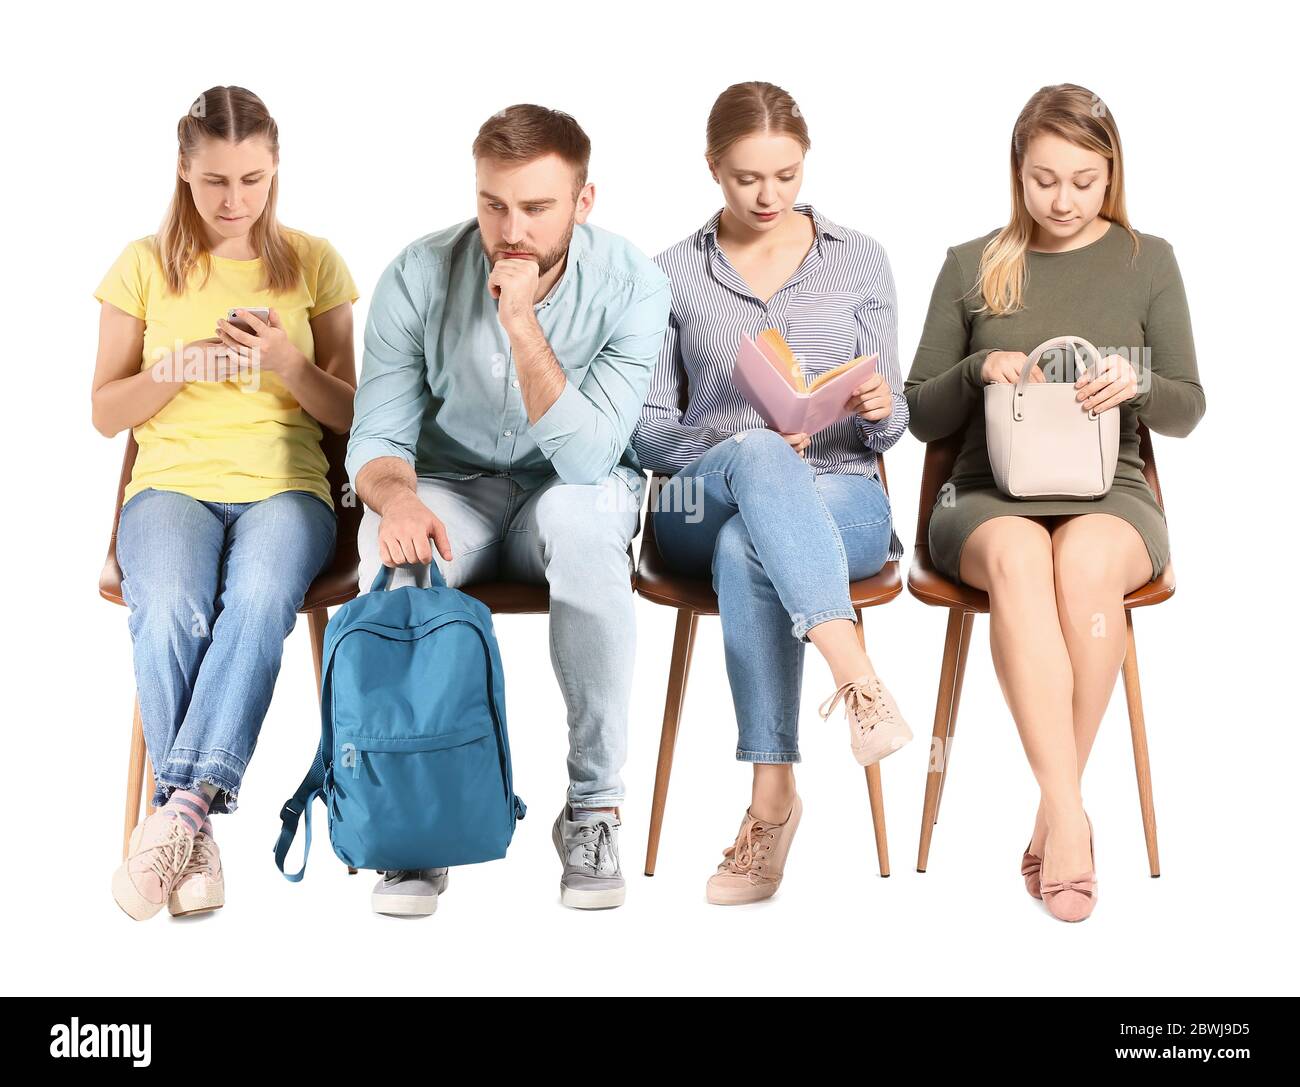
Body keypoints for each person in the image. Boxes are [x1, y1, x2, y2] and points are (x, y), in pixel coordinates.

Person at [347, 103, 670, 916]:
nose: (510, 229)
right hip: (451, 486)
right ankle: (413, 819)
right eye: (493, 204)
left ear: (583, 202)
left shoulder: (633, 283)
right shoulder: (418, 274)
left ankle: (593, 809)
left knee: (587, 523)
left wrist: (521, 322)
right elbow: (378, 435)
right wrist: (397, 499)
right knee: (393, 554)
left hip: (568, 489)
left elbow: (588, 457)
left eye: (536, 207)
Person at [904, 83, 1205, 922]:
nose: (1063, 200)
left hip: (1115, 490)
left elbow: (1189, 406)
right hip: (984, 493)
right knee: (1020, 556)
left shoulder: (1150, 259)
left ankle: (1053, 810)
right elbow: (916, 410)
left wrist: (1135, 381)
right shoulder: (973, 262)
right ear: (1017, 173)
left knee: (1080, 559)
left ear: (1111, 171)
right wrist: (978, 371)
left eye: (1083, 179)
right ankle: (1073, 818)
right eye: (1044, 180)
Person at [632, 81, 912, 906]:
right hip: (699, 499)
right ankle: (857, 674)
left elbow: (891, 422)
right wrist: (736, 444)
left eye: (786, 176)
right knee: (753, 459)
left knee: (747, 544)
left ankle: (771, 801)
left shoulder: (859, 257)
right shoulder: (669, 274)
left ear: (805, 164)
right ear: (713, 166)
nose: (768, 196)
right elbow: (644, 431)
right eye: (748, 178)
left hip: (841, 494)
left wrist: (877, 406)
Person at [95, 86, 359, 920]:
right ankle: (195, 824)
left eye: (251, 180)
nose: (235, 201)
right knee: (168, 603)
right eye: (215, 182)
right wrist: (175, 367)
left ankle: (171, 814)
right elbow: (105, 412)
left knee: (255, 598)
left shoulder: (313, 261)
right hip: (171, 484)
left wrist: (285, 361)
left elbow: (353, 413)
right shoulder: (144, 263)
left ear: (275, 168)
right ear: (183, 168)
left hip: (288, 487)